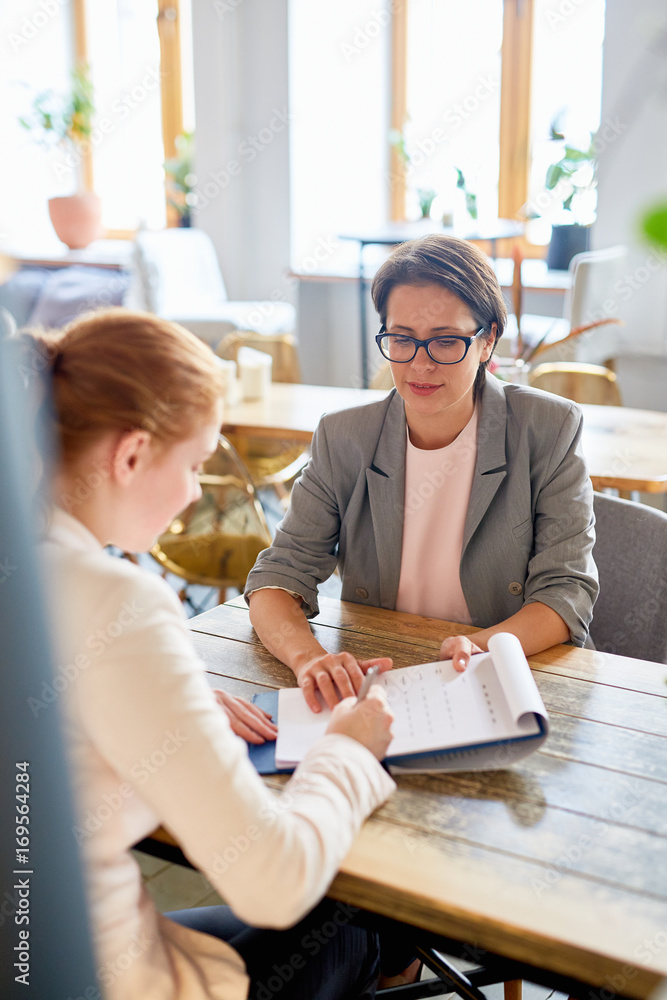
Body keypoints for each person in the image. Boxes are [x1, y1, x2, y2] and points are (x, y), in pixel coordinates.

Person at [31, 308, 396, 1000]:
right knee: (349, 920)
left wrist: (173, 706)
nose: (197, 494)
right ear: (132, 454)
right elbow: (274, 884)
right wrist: (345, 751)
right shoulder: (117, 602)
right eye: (195, 464)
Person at [245, 235, 599, 714]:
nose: (421, 362)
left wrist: (482, 645)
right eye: (402, 338)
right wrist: (310, 660)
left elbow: (566, 591)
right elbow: (277, 578)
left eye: (447, 340)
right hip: (386, 675)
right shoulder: (344, 437)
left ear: (488, 338)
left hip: (515, 676)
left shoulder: (548, 428)